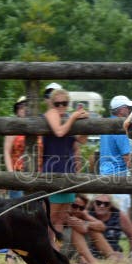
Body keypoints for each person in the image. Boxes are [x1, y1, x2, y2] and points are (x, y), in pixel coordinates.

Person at [42, 88, 89, 238]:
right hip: (52, 172)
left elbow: (82, 140)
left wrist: (85, 122)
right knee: (49, 218)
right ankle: (46, 253)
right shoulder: (51, 114)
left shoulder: (68, 118)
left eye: (65, 103)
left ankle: (55, 254)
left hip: (69, 173)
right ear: (51, 103)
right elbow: (59, 132)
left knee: (60, 220)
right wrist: (75, 116)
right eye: (58, 103)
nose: (61, 106)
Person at [99, 95, 132, 217]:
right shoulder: (120, 127)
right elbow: (127, 158)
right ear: (121, 110)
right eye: (128, 108)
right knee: (121, 218)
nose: (130, 111)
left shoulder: (106, 124)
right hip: (118, 180)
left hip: (104, 176)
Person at [61, 194, 113, 264]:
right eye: (74, 206)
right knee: (76, 230)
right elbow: (82, 229)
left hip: (73, 252)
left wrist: (86, 222)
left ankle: (112, 258)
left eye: (81, 208)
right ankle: (93, 263)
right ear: (68, 204)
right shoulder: (63, 213)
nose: (77, 210)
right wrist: (85, 223)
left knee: (93, 230)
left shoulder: (83, 214)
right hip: (60, 247)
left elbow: (102, 226)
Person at [4, 95, 29, 199]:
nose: (25, 108)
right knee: (18, 209)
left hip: (37, 175)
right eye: (21, 106)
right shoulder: (13, 128)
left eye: (27, 105)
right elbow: (6, 152)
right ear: (17, 110)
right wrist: (11, 175)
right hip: (18, 174)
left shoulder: (40, 126)